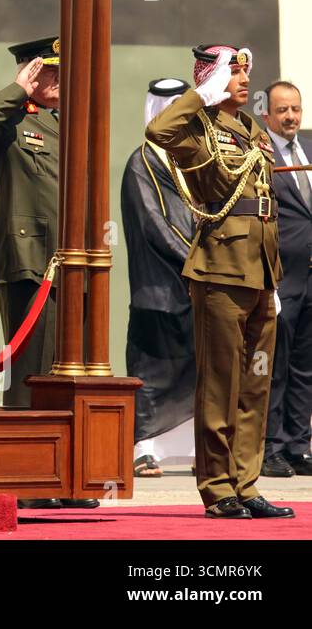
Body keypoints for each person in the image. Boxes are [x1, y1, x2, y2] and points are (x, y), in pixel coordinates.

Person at [146, 44, 293, 519]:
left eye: (246, 72)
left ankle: (247, 483)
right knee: (220, 383)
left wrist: (273, 276)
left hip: (261, 270)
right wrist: (199, 94)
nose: (244, 80)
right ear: (210, 78)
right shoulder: (196, 128)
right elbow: (156, 130)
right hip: (221, 269)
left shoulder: (251, 129)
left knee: (255, 384)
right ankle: (217, 486)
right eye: (232, 73)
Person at [0, 37, 96, 510]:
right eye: (48, 72)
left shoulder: (66, 125)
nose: (58, 81)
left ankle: (66, 479)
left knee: (67, 376)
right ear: (30, 72)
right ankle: (23, 477)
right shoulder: (11, 120)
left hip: (72, 267)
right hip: (29, 263)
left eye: (62, 72)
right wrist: (18, 88)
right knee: (30, 375)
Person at [121, 78, 197, 478]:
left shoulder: (193, 160)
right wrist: (199, 259)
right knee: (153, 370)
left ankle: (194, 449)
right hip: (157, 286)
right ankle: (143, 448)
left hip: (194, 284)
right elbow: (154, 225)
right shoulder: (142, 161)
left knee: (195, 367)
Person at [260, 80, 312, 477]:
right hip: (280, 279)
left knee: (305, 367)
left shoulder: (308, 152)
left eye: (295, 109)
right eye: (282, 110)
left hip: (310, 279)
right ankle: (271, 447)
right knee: (274, 367)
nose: (291, 116)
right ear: (268, 114)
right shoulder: (262, 157)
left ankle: (298, 444)